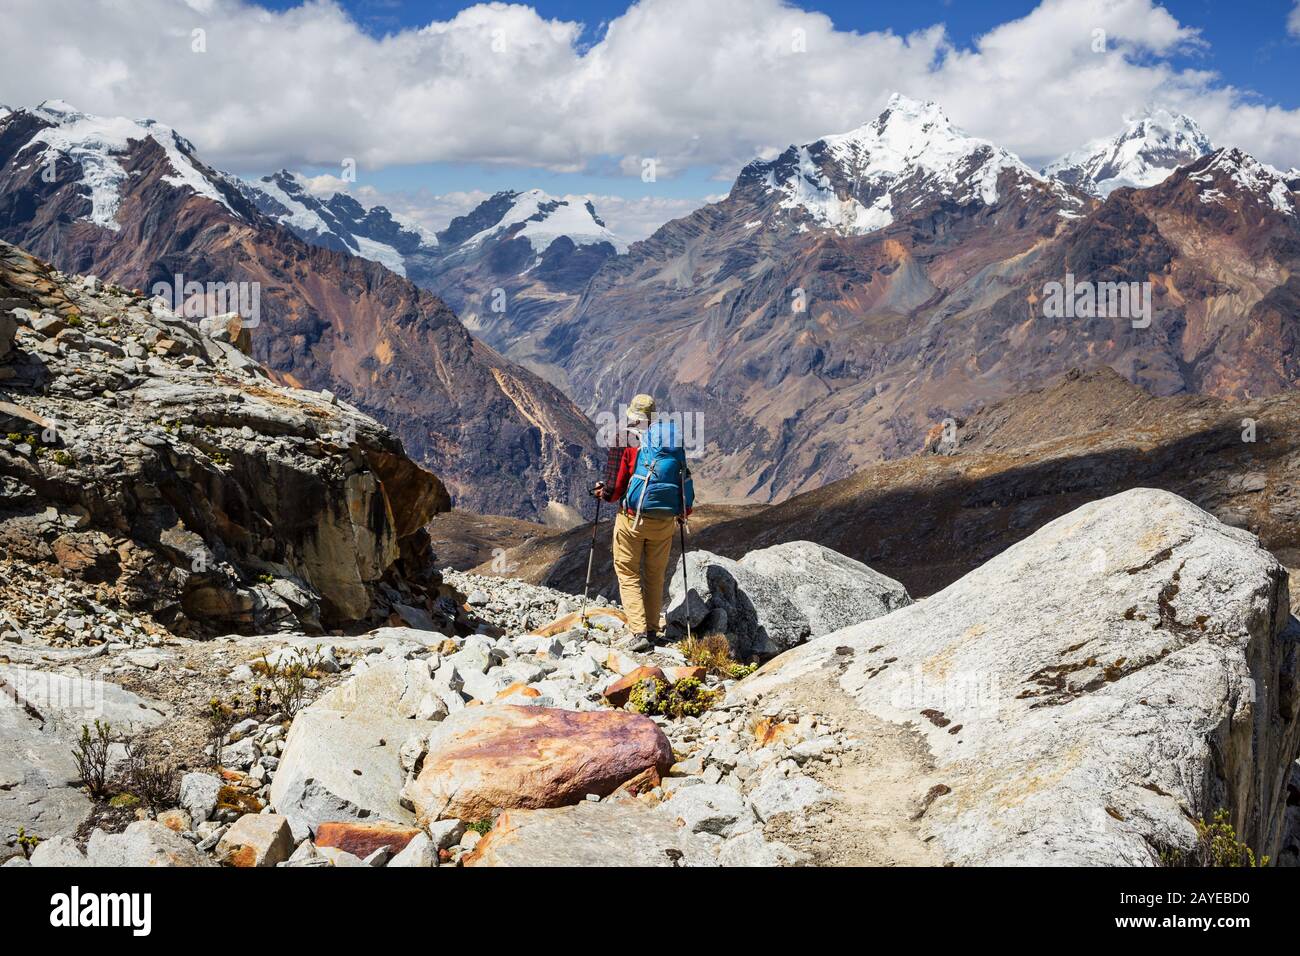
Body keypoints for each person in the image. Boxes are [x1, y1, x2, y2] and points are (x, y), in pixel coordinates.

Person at [591, 393, 694, 643]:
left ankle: (638, 632)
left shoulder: (624, 439)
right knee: (655, 575)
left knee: (628, 572)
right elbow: (681, 478)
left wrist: (601, 492)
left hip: (632, 519)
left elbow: (614, 490)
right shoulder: (670, 441)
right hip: (665, 520)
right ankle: (651, 627)